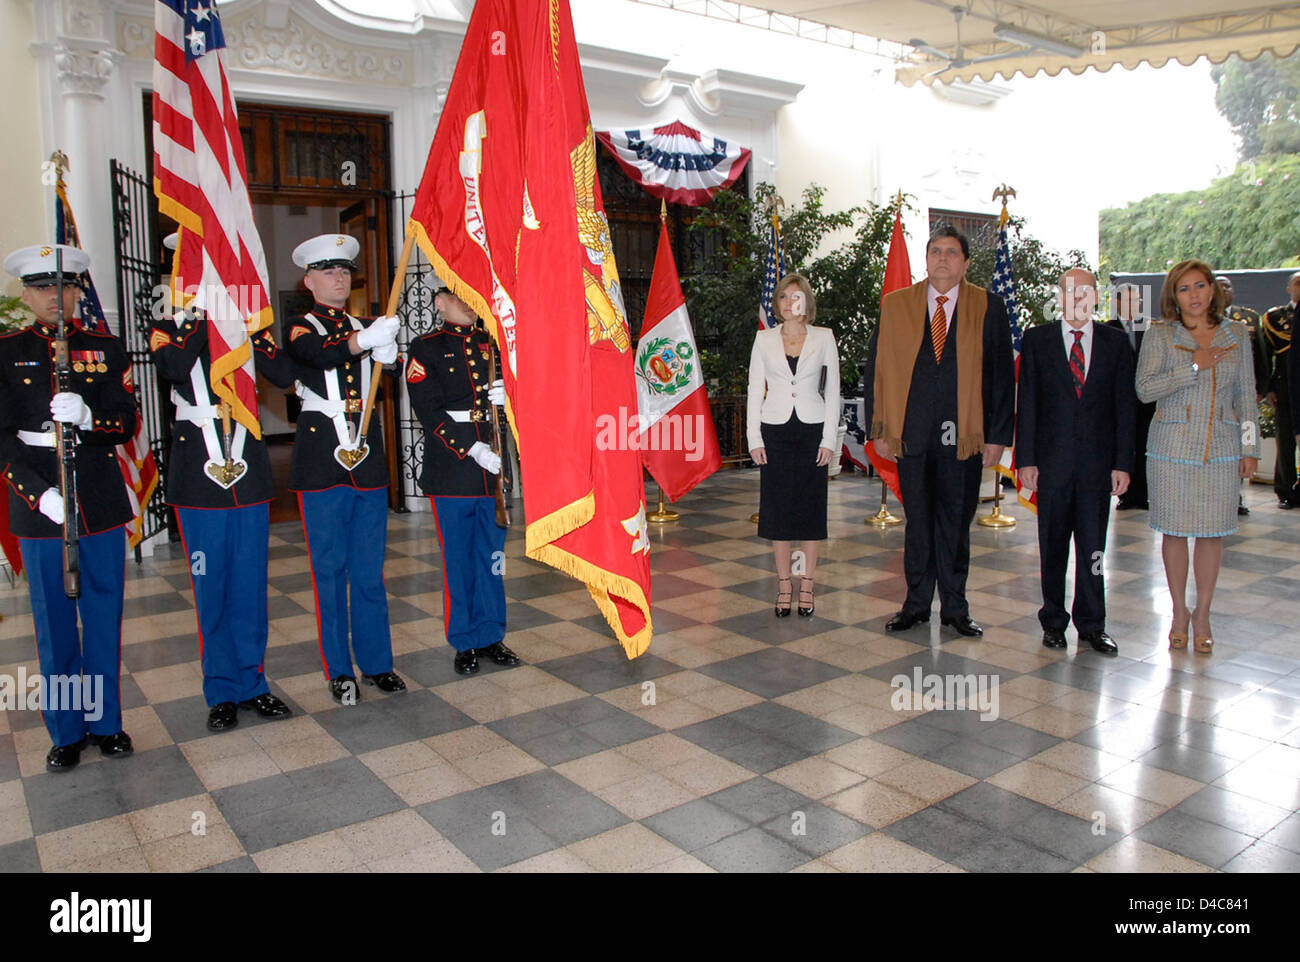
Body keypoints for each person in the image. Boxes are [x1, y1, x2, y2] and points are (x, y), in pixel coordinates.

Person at [150, 232, 297, 731]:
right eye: (200, 262)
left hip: (248, 467)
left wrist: (243, 318)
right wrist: (199, 311)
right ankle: (221, 689)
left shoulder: (247, 317)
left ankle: (254, 683)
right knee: (211, 586)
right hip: (199, 470)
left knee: (251, 586)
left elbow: (279, 372)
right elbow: (171, 366)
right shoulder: (168, 321)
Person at [0, 244, 135, 770]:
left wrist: (88, 418)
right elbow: (2, 439)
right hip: (41, 505)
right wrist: (40, 494)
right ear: (27, 294)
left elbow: (126, 421)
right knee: (54, 623)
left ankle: (106, 723)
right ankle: (66, 730)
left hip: (98, 498)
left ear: (78, 290)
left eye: (65, 287)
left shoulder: (105, 345)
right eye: (41, 288)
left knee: (104, 616)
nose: (55, 297)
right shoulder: (6, 351)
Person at [865, 226, 1015, 636]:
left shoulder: (988, 307)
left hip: (964, 436)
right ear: (926, 259)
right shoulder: (897, 306)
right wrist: (879, 426)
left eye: (951, 252)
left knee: (955, 522)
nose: (943, 259)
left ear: (966, 263)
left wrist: (998, 436)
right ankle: (915, 605)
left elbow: (1003, 377)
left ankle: (955, 608)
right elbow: (875, 368)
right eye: (935, 252)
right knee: (918, 522)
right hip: (911, 435)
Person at [285, 233, 405, 704]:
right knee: (330, 571)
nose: (339, 278)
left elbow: (389, 372)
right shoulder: (301, 326)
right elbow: (317, 355)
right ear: (309, 280)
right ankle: (339, 669)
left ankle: (378, 664)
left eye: (343, 272)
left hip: (366, 459)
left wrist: (391, 357)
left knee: (370, 572)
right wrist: (364, 340)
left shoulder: (368, 323)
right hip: (322, 463)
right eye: (328, 272)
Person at [1138, 259, 1259, 655]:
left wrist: (1250, 449)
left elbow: (1246, 396)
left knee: (1212, 535)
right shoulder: (1160, 335)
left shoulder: (1237, 333)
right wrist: (1192, 367)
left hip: (1221, 450)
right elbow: (1144, 389)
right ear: (1174, 295)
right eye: (1184, 288)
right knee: (1175, 532)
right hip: (1171, 451)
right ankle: (1178, 612)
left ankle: (1203, 613)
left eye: (1200, 286)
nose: (1194, 295)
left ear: (1213, 290)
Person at [405, 287, 522, 674]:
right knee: (458, 560)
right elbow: (429, 412)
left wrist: (512, 398)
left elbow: (518, 398)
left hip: (492, 466)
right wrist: (471, 448)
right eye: (459, 297)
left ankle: (492, 635)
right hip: (453, 467)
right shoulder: (426, 348)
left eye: (473, 296)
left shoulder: (492, 344)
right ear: (439, 302)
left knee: (492, 558)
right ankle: (464, 640)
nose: (470, 304)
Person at [1018, 269, 1134, 654]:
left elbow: (1124, 409)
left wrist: (1123, 463)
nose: (1077, 297)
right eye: (1069, 291)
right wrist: (1026, 461)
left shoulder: (1116, 343)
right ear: (1060, 297)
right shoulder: (1038, 340)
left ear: (1096, 296)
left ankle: (1092, 623)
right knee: (1052, 547)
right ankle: (1053, 620)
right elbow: (1029, 404)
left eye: (1084, 291)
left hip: (1097, 469)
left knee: (1093, 550)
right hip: (1051, 466)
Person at [746, 273, 840, 617]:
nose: (789, 303)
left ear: (807, 303)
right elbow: (756, 389)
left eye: (796, 297)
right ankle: (784, 584)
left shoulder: (825, 338)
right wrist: (754, 437)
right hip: (775, 432)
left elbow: (833, 393)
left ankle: (808, 585)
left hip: (813, 431)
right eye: (784, 297)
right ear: (778, 304)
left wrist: (830, 439)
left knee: (811, 511)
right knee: (778, 511)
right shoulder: (764, 340)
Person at [1219, 275, 1265, 516]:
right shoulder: (1190, 325)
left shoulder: (1246, 320)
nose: (1223, 290)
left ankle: (1234, 497)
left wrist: (1263, 389)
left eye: (1227, 286)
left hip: (1239, 399)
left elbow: (1261, 355)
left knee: (1238, 449)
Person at [1107, 282, 1155, 511]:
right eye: (1128, 300)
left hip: (1145, 400)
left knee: (1144, 445)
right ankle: (1125, 495)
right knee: (1123, 445)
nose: (1134, 305)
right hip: (1118, 399)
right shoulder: (1108, 328)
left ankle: (1142, 494)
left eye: (1137, 301)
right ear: (1117, 303)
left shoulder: (1149, 328)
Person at [1261, 274, 1298, 509]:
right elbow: (1267, 357)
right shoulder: (1276, 318)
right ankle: (1286, 490)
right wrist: (1268, 388)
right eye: (1298, 283)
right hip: (1286, 386)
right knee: (1285, 441)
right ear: (1289, 288)